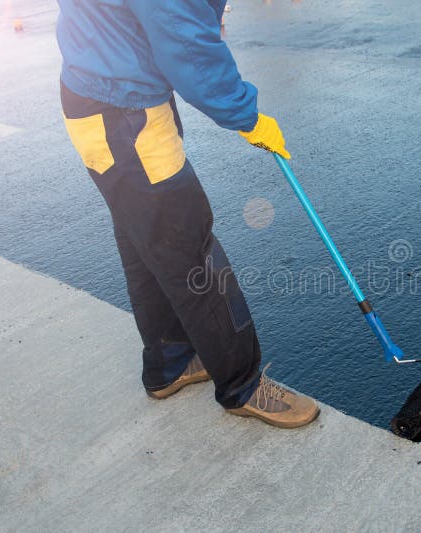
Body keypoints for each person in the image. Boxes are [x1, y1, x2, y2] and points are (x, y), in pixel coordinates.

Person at [55, 0, 319, 429]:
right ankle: (243, 385)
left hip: (97, 97)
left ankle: (169, 363)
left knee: (145, 244)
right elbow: (185, 44)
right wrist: (245, 115)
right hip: (127, 112)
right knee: (190, 251)